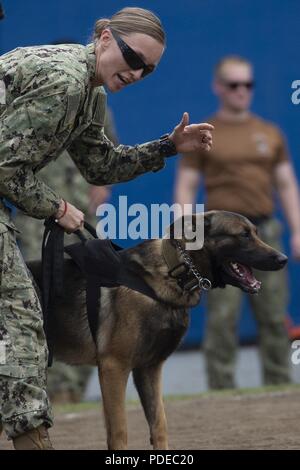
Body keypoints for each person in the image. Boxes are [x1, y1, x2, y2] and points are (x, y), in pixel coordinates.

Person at [0, 7, 213, 449]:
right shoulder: (64, 81)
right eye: (132, 57)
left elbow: (100, 165)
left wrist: (168, 147)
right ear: (103, 36)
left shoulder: (89, 92)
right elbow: (3, 166)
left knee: (20, 322)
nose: (136, 72)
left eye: (148, 69)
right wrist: (58, 207)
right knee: (22, 323)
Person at [175, 55, 300, 390]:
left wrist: (298, 230)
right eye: (234, 85)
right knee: (222, 318)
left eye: (248, 84)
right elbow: (186, 186)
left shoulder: (269, 133)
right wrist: (185, 234)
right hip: (222, 241)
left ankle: (279, 387)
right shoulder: (205, 133)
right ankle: (221, 393)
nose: (242, 91)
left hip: (263, 233)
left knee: (274, 315)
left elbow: (286, 183)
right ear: (219, 87)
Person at [15, 107, 118, 404]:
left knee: (94, 297)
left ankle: (73, 388)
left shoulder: (95, 102)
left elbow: (107, 147)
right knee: (39, 298)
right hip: (39, 216)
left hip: (84, 215)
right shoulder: (31, 102)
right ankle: (41, 385)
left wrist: (102, 182)